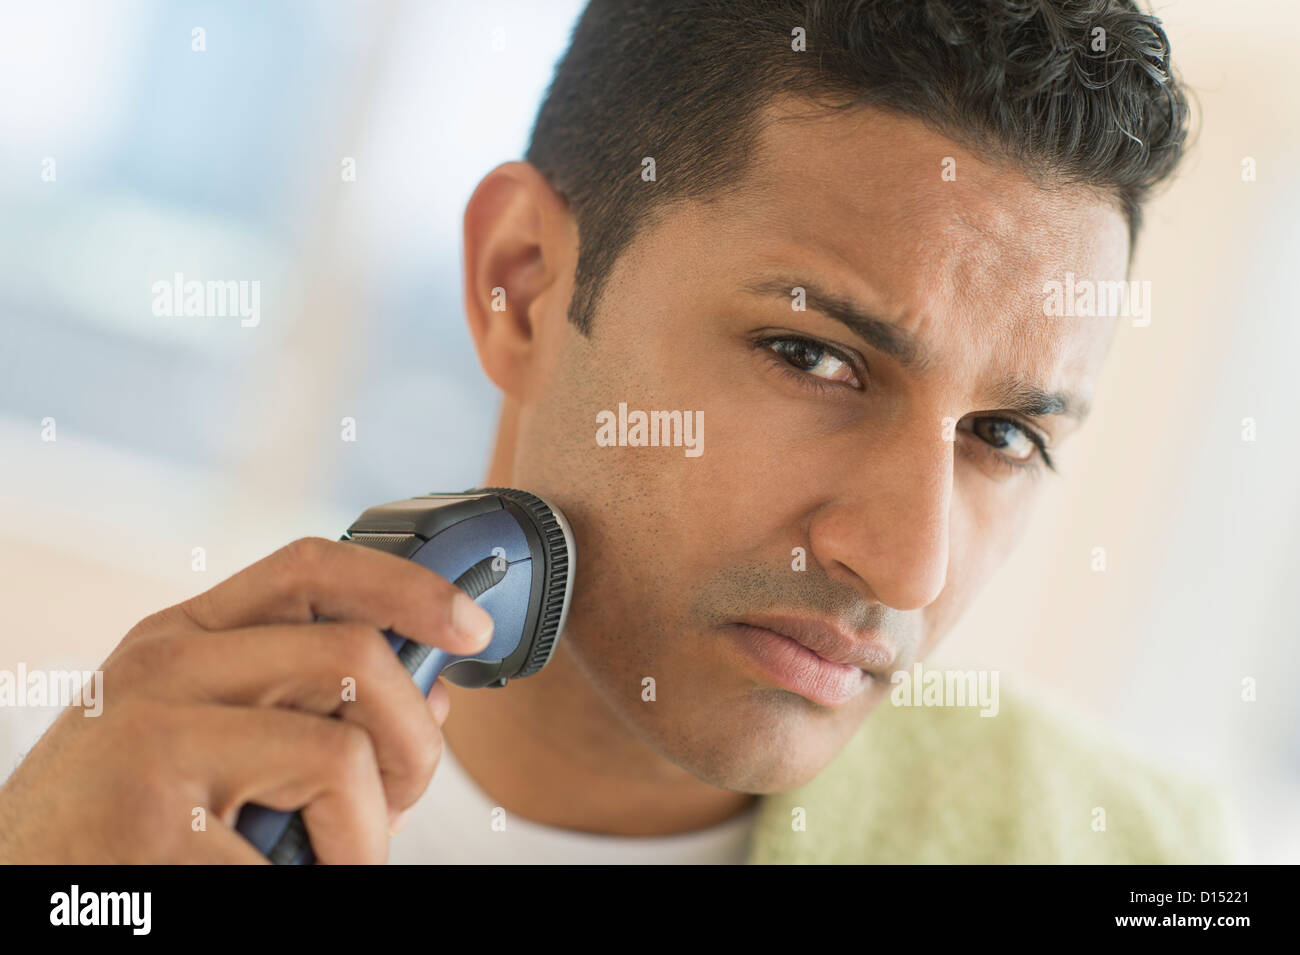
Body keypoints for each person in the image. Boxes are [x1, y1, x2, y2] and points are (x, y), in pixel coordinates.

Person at [0, 0, 1234, 864]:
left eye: (1005, 435)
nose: (906, 564)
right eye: (814, 358)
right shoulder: (77, 824)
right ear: (523, 282)